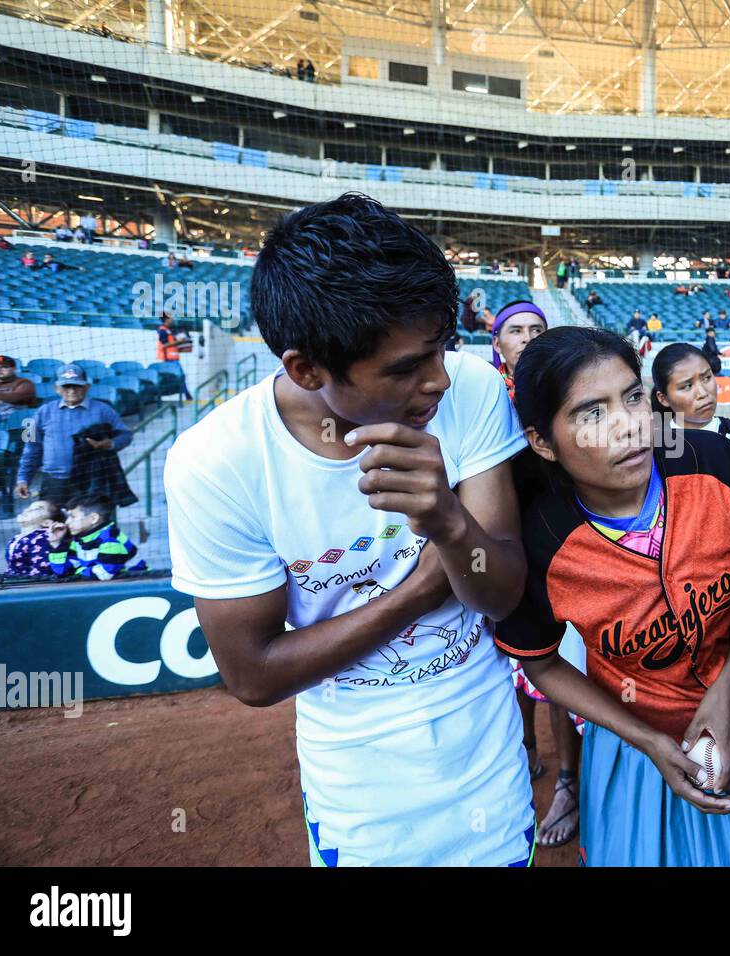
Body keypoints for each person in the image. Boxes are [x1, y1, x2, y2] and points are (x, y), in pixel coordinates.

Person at [163, 192, 536, 867]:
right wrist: (421, 592)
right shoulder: (217, 463)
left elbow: (502, 593)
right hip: (355, 783)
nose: (439, 381)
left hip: (486, 749)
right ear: (306, 367)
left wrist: (450, 524)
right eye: (405, 368)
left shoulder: (475, 388)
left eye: (441, 350)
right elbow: (254, 676)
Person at [497, 326, 730, 867]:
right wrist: (646, 740)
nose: (628, 425)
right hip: (640, 741)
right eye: (591, 412)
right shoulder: (540, 540)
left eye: (631, 397)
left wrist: (727, 685)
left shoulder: (712, 460)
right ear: (542, 443)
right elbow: (542, 664)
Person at [488, 299, 585, 848]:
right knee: (516, 668)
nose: (526, 336)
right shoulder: (478, 398)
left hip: (562, 548)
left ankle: (569, 783)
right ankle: (524, 754)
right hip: (499, 555)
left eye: (536, 329)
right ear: (496, 342)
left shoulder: (563, 387)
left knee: (556, 670)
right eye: (515, 330)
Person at [15, 364, 132, 508]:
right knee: (53, 526)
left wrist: (110, 444)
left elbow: (126, 434)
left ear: (87, 387)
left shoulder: (104, 410)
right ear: (57, 389)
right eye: (66, 386)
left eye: (77, 386)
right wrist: (23, 479)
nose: (72, 390)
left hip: (92, 481)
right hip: (54, 482)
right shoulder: (41, 412)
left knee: (93, 525)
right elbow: (30, 447)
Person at [651, 343, 730, 471]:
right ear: (663, 398)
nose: (703, 393)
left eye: (706, 378)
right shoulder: (652, 449)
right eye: (687, 386)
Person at [48, 496, 146, 580]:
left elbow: (104, 574)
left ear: (93, 519)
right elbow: (63, 572)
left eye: (73, 517)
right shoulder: (80, 539)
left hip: (135, 584)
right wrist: (56, 544)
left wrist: (79, 572)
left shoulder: (111, 539)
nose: (67, 522)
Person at [5, 500, 62, 578]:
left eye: (38, 508)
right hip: (15, 581)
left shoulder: (41, 539)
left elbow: (43, 569)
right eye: (29, 507)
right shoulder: (19, 537)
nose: (27, 510)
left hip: (31, 584)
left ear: (46, 523)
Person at [156, 314, 193, 399]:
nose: (172, 319)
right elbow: (164, 345)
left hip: (173, 358)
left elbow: (172, 344)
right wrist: (179, 341)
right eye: (170, 317)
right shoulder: (162, 330)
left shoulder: (168, 330)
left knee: (181, 376)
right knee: (180, 376)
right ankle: (187, 395)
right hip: (168, 359)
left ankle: (186, 394)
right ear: (166, 319)